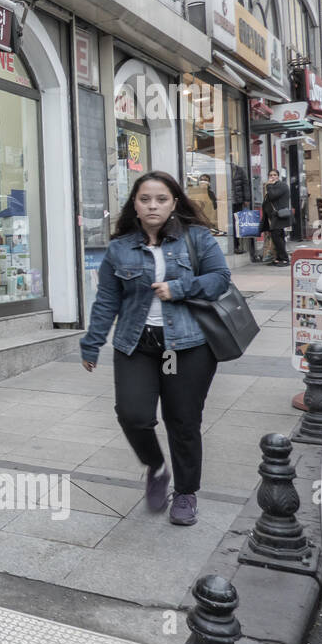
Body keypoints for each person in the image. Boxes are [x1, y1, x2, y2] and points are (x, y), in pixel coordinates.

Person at [79, 171, 231, 527]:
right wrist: (92, 343)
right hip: (137, 345)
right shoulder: (119, 248)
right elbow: (106, 301)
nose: (153, 205)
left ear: (174, 202)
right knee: (133, 415)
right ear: (134, 202)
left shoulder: (197, 238)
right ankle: (156, 466)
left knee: (183, 421)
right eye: (145, 199)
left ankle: (186, 493)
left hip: (188, 346)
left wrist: (179, 288)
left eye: (161, 199)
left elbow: (220, 279)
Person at [261, 168, 292, 266]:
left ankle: (284, 259)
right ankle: (279, 258)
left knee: (277, 237)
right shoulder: (273, 186)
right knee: (278, 237)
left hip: (279, 216)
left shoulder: (281, 185)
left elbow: (273, 196)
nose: (272, 177)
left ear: (278, 176)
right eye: (270, 175)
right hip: (274, 216)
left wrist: (269, 185)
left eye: (274, 175)